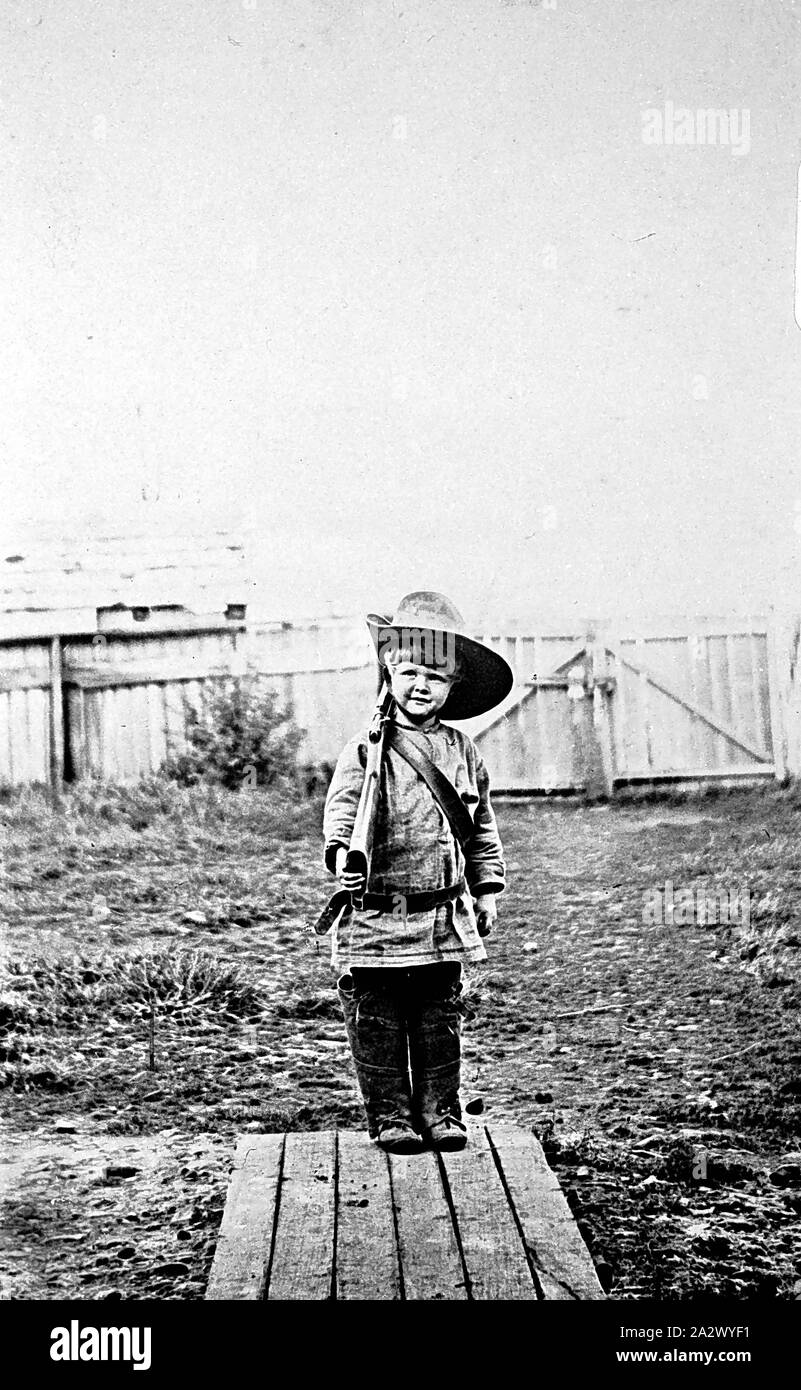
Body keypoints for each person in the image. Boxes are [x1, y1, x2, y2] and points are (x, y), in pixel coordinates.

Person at [322, 591, 514, 1153]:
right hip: (377, 913)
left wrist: (486, 889)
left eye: (434, 676)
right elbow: (341, 809)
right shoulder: (366, 746)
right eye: (408, 671)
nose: (420, 685)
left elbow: (479, 825)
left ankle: (441, 1110)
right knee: (377, 1016)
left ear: (453, 687)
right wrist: (340, 855)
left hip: (441, 916)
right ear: (389, 671)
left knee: (438, 1013)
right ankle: (390, 1116)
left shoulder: (461, 750)